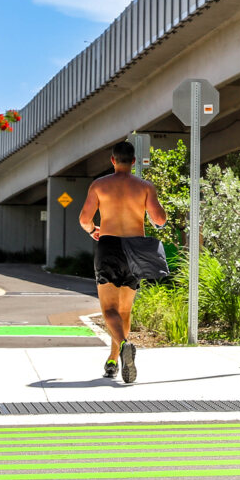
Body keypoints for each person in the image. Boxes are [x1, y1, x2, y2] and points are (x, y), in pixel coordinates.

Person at [78, 140, 167, 383]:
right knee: (125, 310)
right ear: (134, 162)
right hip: (135, 248)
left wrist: (92, 229)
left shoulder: (99, 185)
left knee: (109, 310)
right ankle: (113, 359)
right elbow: (159, 219)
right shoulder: (145, 186)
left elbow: (84, 219)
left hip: (109, 246)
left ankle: (124, 346)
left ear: (113, 161)